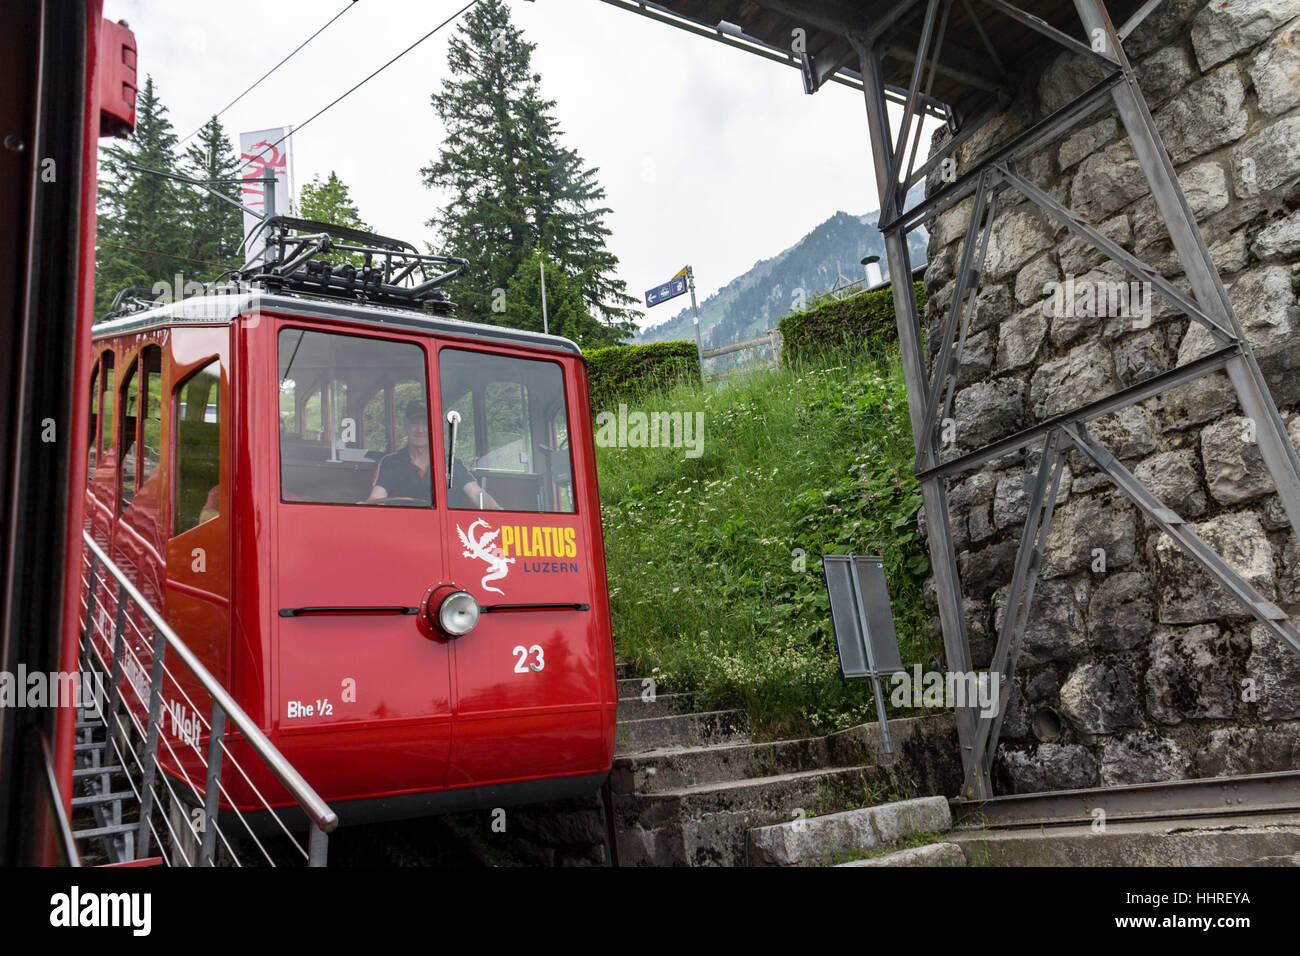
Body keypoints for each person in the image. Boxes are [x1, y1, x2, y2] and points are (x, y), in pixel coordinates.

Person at [368, 400, 500, 509]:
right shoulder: (390, 462)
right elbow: (376, 498)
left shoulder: (451, 464)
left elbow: (476, 494)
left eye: (425, 423)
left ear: (433, 427)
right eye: (415, 423)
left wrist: (496, 509)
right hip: (402, 531)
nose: (420, 430)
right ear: (406, 426)